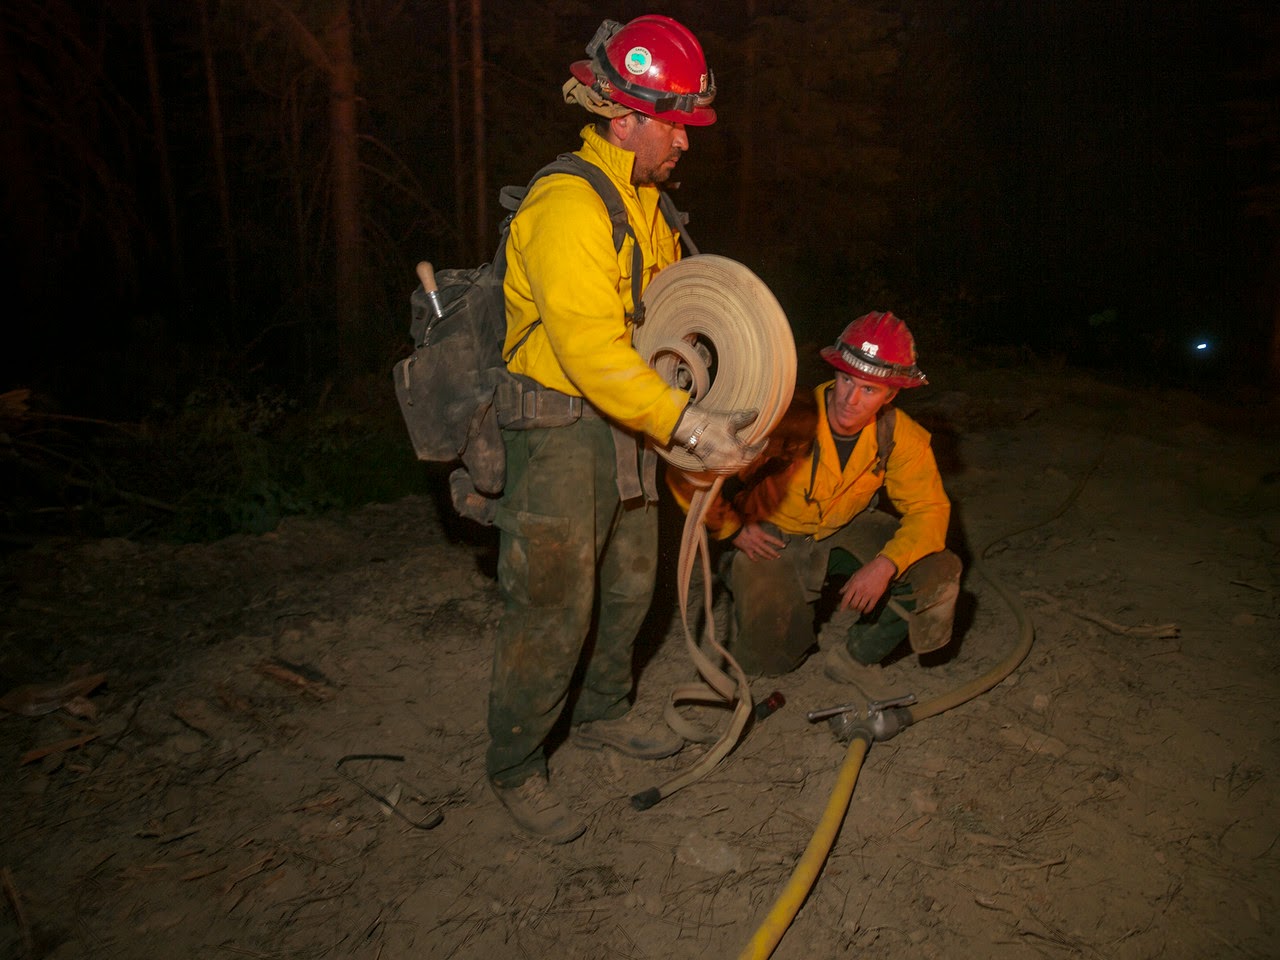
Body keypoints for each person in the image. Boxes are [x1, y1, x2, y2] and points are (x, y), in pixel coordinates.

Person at [486, 15, 762, 844]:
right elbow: (591, 353)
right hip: (563, 431)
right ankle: (515, 763)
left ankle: (603, 711)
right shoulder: (567, 203)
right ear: (625, 117)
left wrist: (707, 401)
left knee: (629, 585)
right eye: (673, 123)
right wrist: (688, 425)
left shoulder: (648, 205)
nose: (685, 141)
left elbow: (670, 316)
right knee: (550, 603)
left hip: (632, 429)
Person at [672, 311, 962, 693]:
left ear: (891, 395)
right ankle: (751, 590)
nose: (849, 399)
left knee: (938, 571)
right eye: (845, 380)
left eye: (869, 390)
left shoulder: (902, 437)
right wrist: (733, 528)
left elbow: (929, 510)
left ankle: (857, 656)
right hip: (774, 535)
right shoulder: (785, 415)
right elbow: (687, 470)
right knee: (771, 660)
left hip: (845, 527)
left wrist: (886, 565)